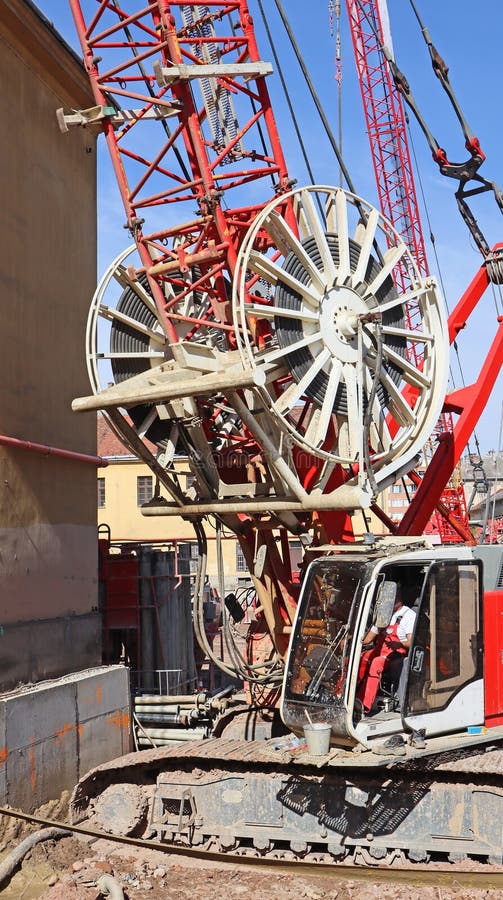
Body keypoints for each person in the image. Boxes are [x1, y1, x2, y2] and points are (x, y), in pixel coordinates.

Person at [357, 588, 416, 715]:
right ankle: (344, 697)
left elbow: (411, 642)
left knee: (377, 663)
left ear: (398, 599)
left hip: (397, 653)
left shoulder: (409, 615)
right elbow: (367, 640)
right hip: (380, 650)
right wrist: (354, 639)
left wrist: (399, 643)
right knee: (361, 659)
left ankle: (364, 704)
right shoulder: (383, 615)